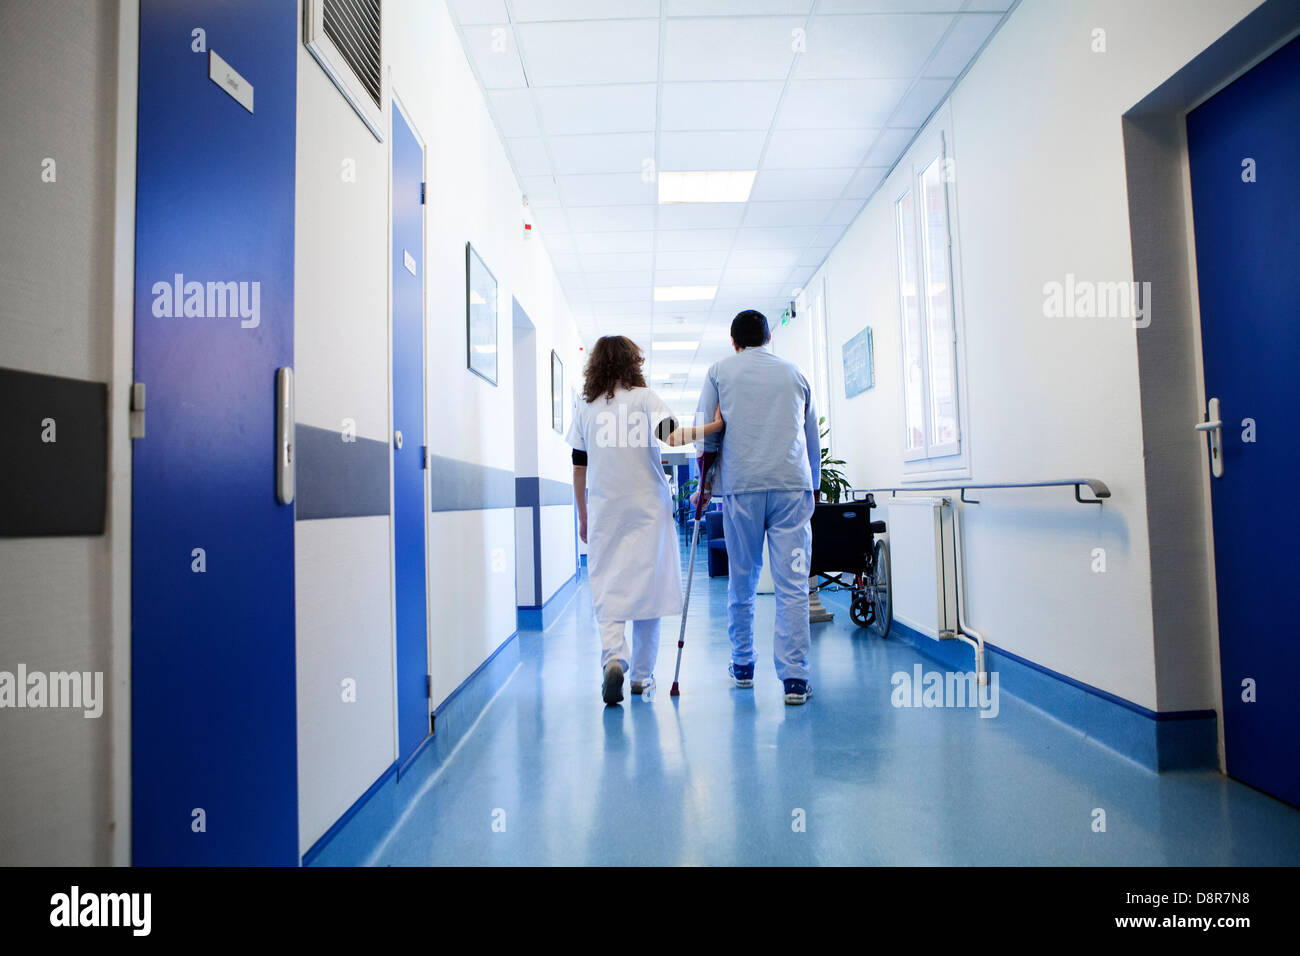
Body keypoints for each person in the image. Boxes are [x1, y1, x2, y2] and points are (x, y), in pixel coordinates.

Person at [568, 335, 725, 705]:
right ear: (631, 363)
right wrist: (713, 428)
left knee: (609, 587)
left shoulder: (586, 408)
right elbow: (673, 437)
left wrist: (582, 515)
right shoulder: (644, 399)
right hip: (649, 510)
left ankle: (613, 659)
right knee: (647, 590)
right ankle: (640, 677)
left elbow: (578, 467)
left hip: (606, 508)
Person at [691, 310, 821, 705]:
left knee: (742, 581)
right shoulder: (795, 374)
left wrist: (704, 486)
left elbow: (705, 436)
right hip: (790, 488)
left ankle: (743, 666)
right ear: (768, 338)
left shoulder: (719, 371)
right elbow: (810, 437)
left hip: (741, 489)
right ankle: (795, 680)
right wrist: (812, 487)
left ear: (734, 342)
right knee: (793, 586)